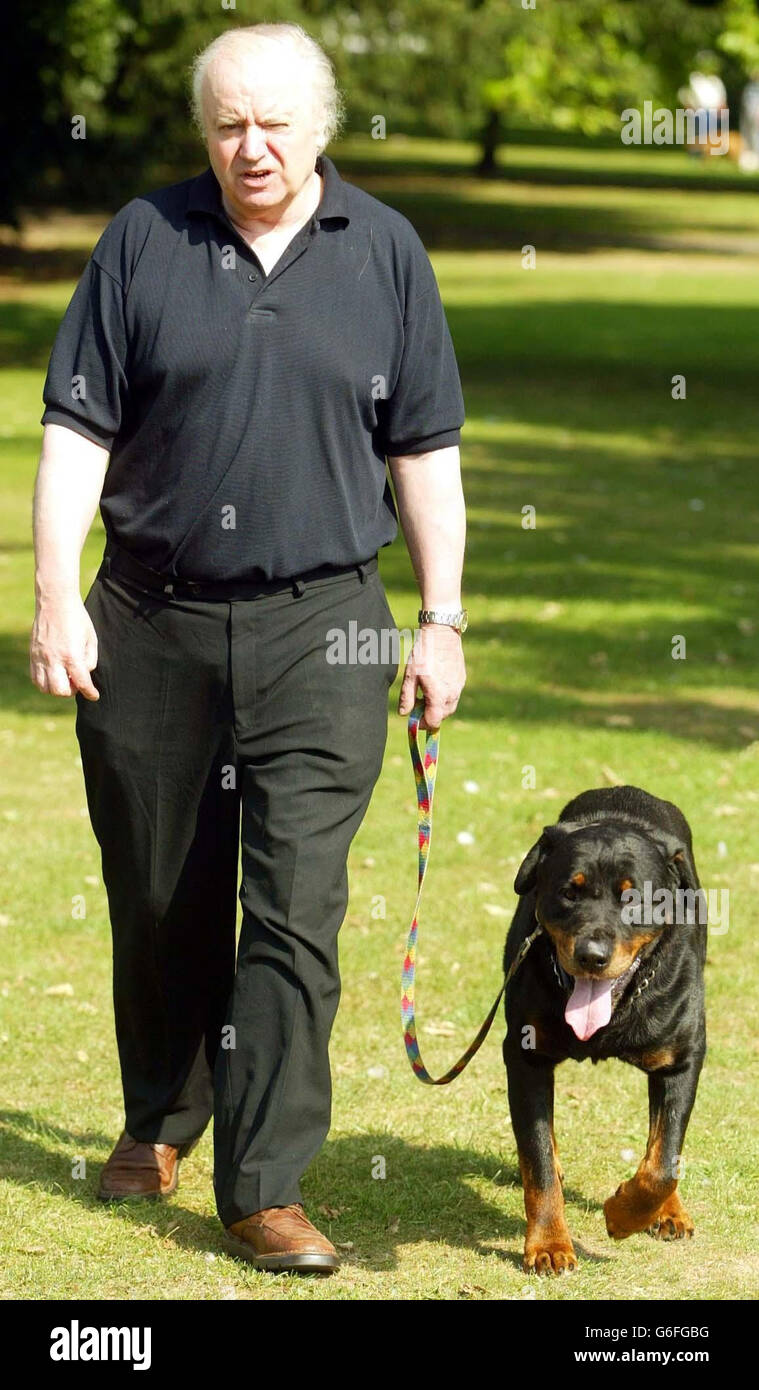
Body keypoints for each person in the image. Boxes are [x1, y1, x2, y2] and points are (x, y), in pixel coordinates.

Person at [30, 22, 467, 1275]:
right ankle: (161, 1115)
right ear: (204, 132)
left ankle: (264, 1181)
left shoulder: (384, 251)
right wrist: (56, 595)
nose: (251, 145)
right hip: (151, 620)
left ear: (322, 127)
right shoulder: (142, 241)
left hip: (324, 624)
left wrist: (441, 617)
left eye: (274, 122)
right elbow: (77, 434)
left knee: (294, 911)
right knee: (160, 890)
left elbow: (424, 455)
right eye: (228, 123)